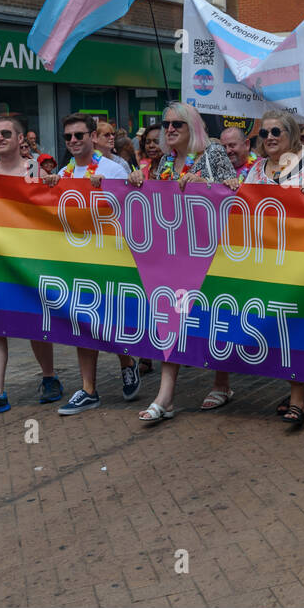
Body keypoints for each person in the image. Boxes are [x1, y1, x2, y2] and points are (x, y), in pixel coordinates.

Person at [126, 102, 236, 423]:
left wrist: (209, 187)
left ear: (193, 128)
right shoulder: (163, 165)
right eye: (166, 124)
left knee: (216, 314)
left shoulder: (212, 155)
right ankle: (165, 397)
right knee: (170, 318)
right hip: (176, 255)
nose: (169, 129)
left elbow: (234, 192)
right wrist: (136, 181)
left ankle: (222, 383)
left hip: (213, 251)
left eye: (178, 124)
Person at [0, 115, 69, 419]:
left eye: (6, 133)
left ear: (20, 138)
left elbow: (54, 210)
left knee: (35, 322)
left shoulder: (36, 171)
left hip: (31, 259)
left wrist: (53, 185)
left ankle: (49, 377)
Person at [243, 108, 304, 426]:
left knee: (298, 323)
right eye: (264, 133)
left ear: (291, 135)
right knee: (281, 323)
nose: (269, 138)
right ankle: (297, 388)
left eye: (276, 132)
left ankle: (299, 395)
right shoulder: (256, 168)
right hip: (271, 260)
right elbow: (244, 208)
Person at [43, 113, 138, 413]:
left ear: (92, 136)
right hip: (77, 261)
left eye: (79, 136)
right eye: (68, 137)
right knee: (82, 322)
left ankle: (127, 362)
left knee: (113, 321)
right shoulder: (64, 173)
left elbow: (134, 203)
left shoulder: (112, 168)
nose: (72, 141)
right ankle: (88, 389)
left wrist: (115, 185)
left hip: (111, 259)